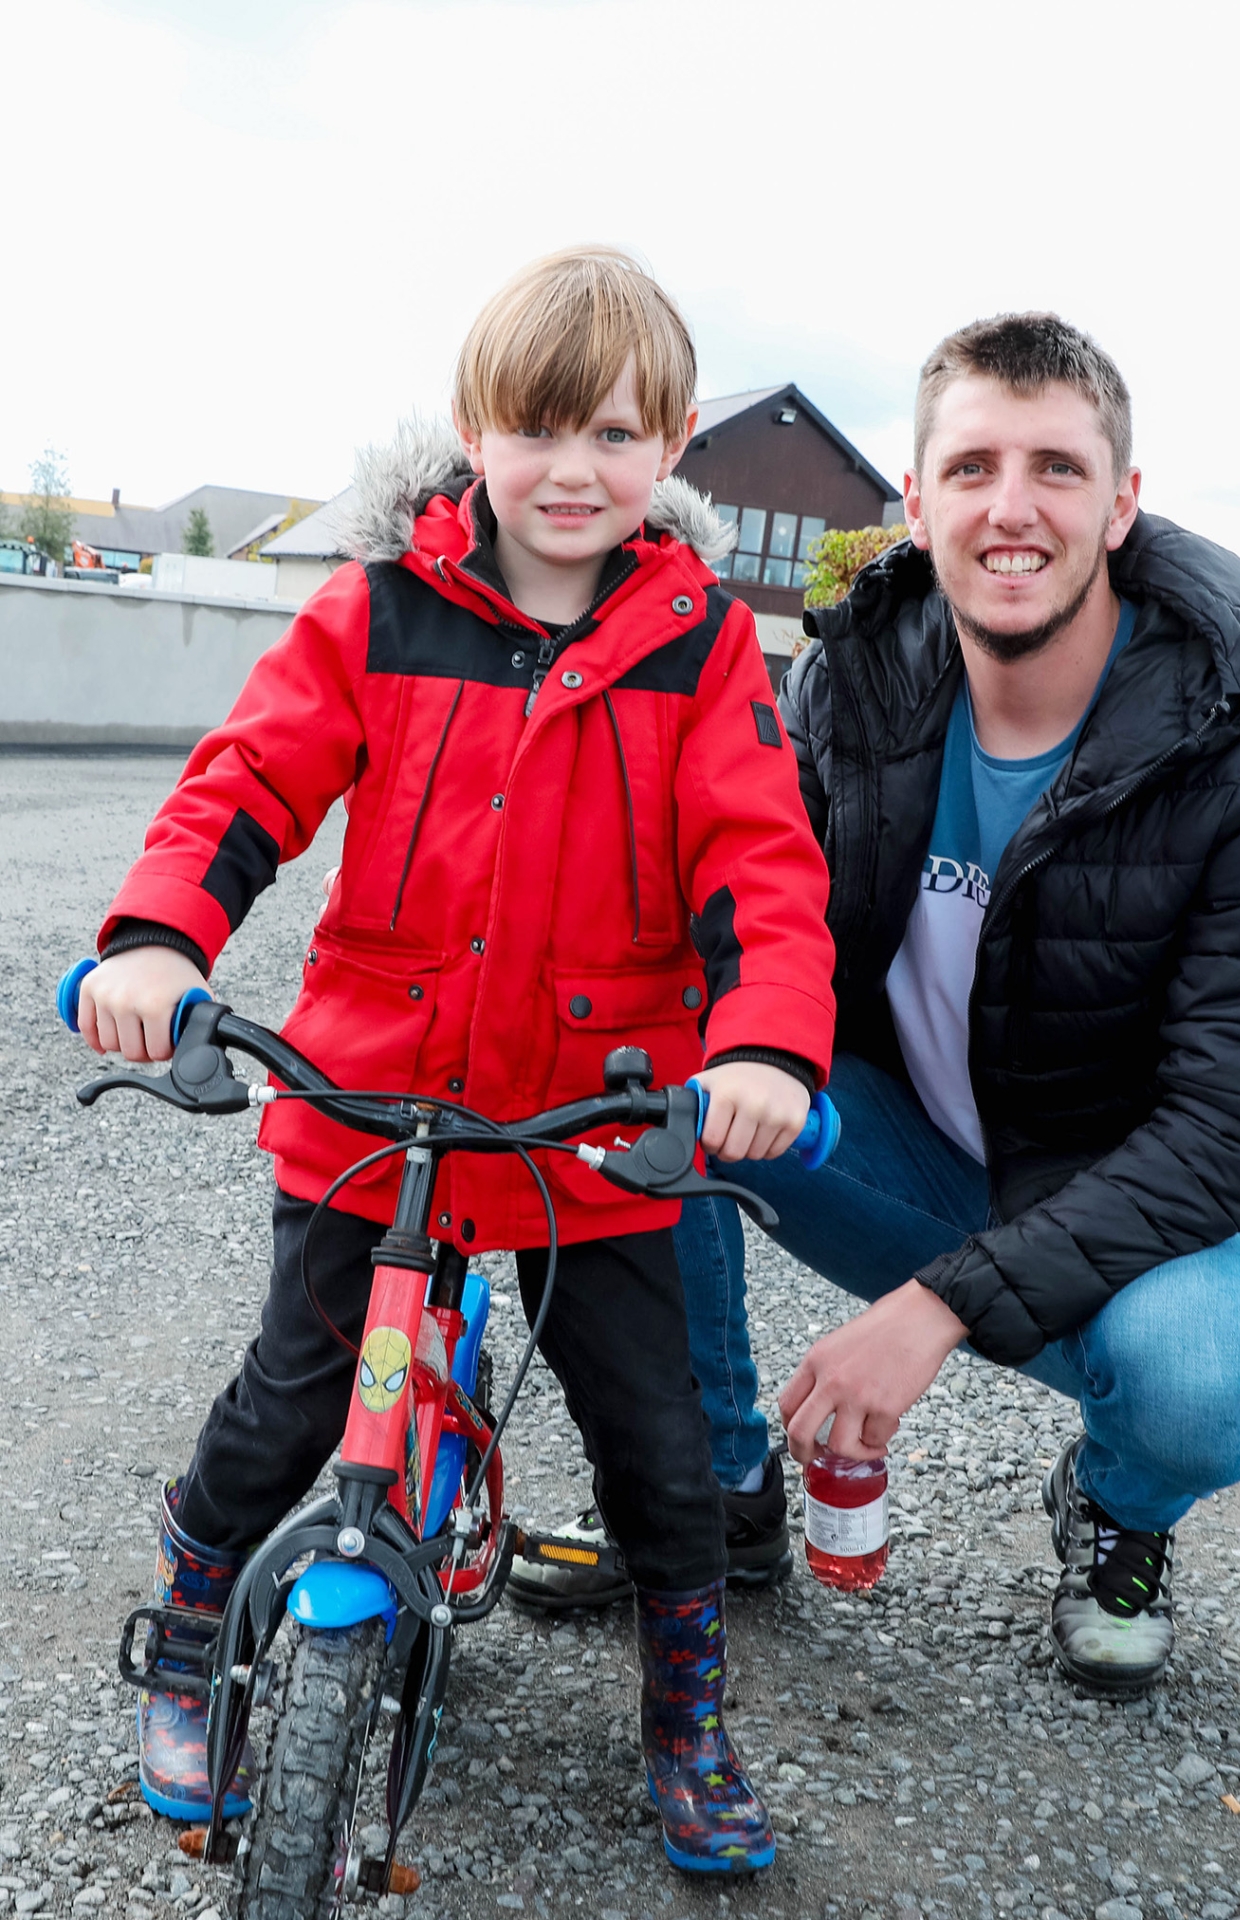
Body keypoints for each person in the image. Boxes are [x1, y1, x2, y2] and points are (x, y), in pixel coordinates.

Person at [77, 246, 837, 1874]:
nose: (575, 471)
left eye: (619, 437)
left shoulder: (702, 647)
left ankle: (685, 1708)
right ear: (472, 431)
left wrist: (763, 1046)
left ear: (677, 444)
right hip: (376, 1106)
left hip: (598, 1126)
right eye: (539, 430)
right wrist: (158, 940)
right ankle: (198, 1616)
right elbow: (246, 787)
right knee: (288, 1398)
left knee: (656, 1446)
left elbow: (761, 869)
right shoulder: (372, 610)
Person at [518, 311, 1240, 1698]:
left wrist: (934, 1308)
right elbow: (728, 928)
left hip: (1123, 1195)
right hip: (888, 1146)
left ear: (1121, 501)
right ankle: (714, 1489)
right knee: (645, 1073)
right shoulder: (850, 681)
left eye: (1055, 468)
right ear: (916, 502)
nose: (1010, 509)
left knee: (1204, 1378)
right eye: (970, 468)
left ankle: (1118, 1512)